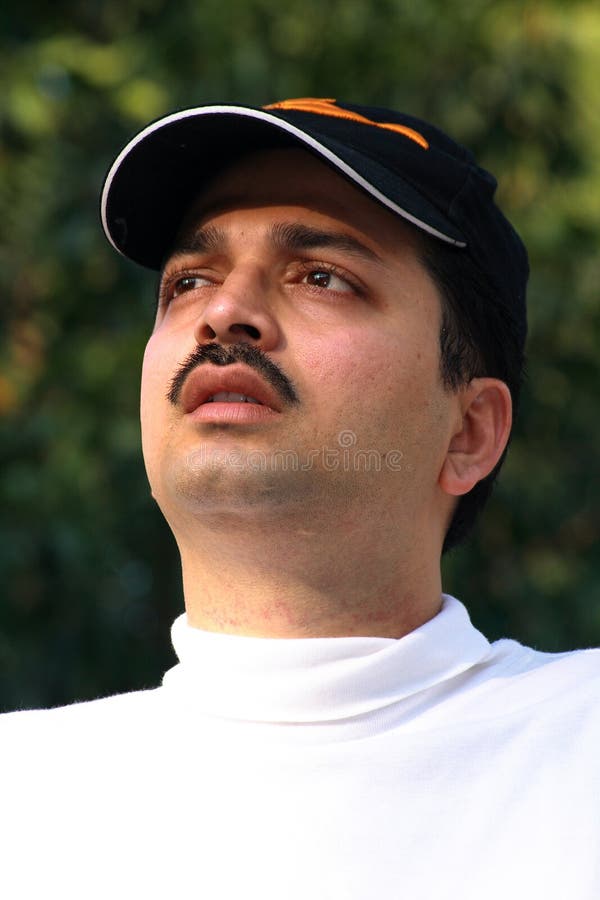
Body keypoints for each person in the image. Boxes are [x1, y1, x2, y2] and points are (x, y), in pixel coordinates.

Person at [1, 98, 599, 899]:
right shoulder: (23, 793)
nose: (223, 313)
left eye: (323, 276)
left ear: (469, 433)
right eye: (189, 281)